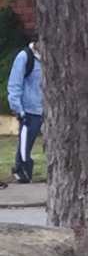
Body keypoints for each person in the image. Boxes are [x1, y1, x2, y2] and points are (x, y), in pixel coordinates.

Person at [7, 35, 40, 184]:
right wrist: (18, 110)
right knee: (25, 145)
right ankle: (22, 172)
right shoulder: (25, 57)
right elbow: (15, 84)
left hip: (48, 110)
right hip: (30, 111)